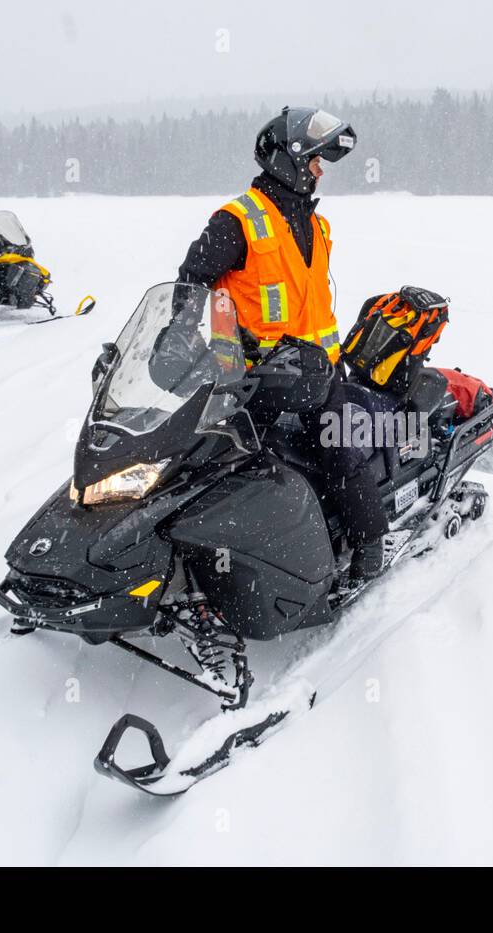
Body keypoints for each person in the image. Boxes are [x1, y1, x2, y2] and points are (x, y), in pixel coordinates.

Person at [176, 107, 389, 580]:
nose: (319, 172)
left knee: (339, 451)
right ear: (288, 161)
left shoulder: (316, 225)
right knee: (221, 466)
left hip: (319, 373)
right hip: (252, 380)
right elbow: (191, 286)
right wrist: (177, 344)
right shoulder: (237, 221)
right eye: (315, 162)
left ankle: (370, 542)